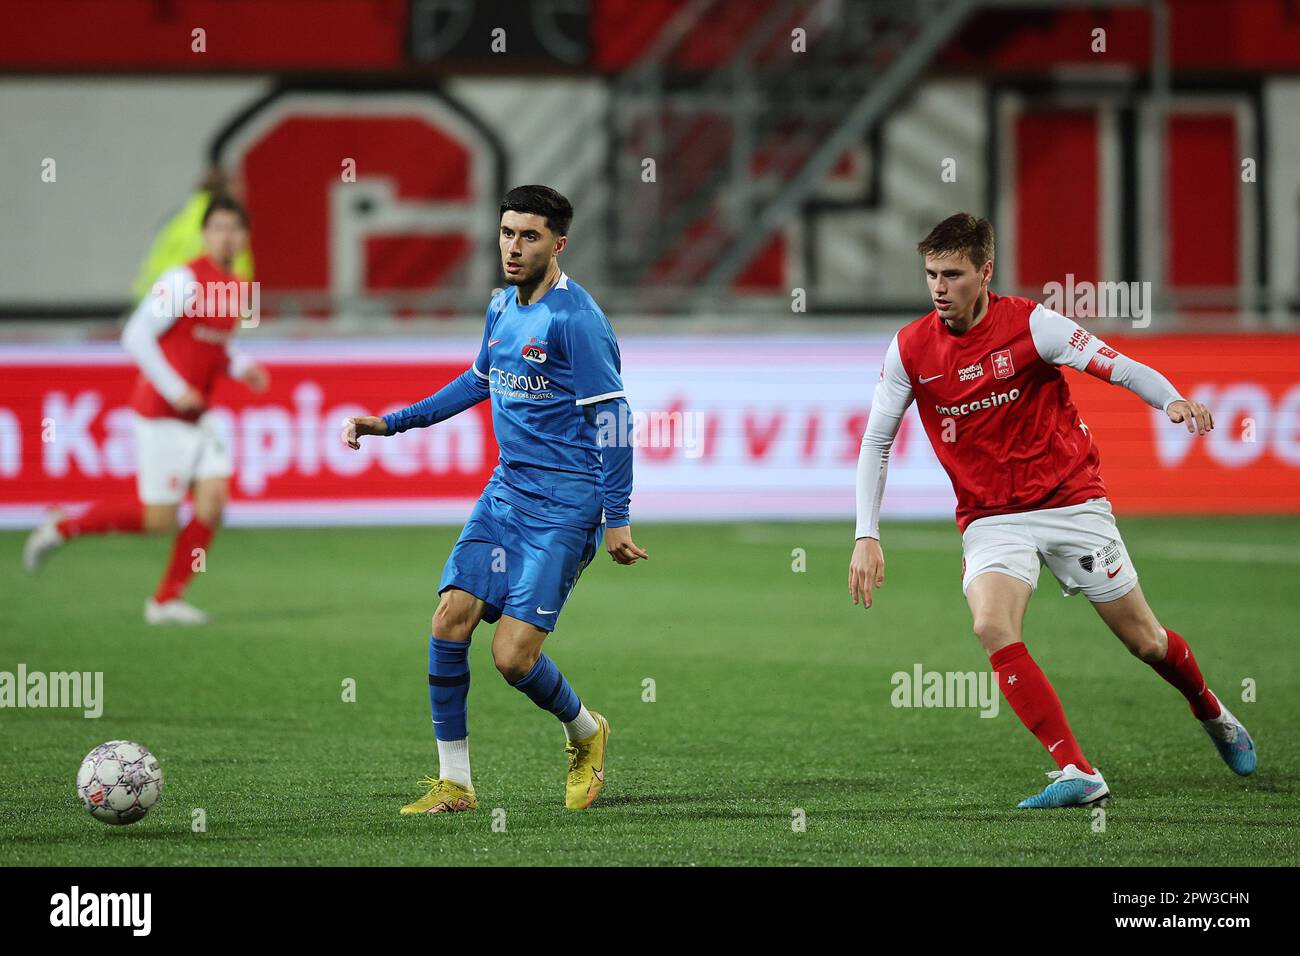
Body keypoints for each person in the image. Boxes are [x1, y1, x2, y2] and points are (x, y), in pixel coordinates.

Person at [848, 212, 1256, 809]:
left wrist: (1169, 400)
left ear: (985, 273)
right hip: (991, 515)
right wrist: (867, 533)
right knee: (991, 625)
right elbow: (876, 441)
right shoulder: (910, 348)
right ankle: (1077, 770)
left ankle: (1211, 710)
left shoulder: (1034, 325)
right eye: (931, 273)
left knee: (1146, 642)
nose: (938, 287)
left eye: (953, 274)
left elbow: (1117, 365)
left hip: (1070, 500)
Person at [342, 185, 647, 814]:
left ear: (558, 244)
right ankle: (455, 783)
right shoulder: (501, 306)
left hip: (566, 507)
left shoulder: (576, 321)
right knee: (449, 615)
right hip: (505, 493)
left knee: (511, 658)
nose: (512, 246)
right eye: (507, 232)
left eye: (528, 236)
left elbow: (615, 420)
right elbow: (479, 378)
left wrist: (616, 519)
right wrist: (394, 423)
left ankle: (586, 732)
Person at [24, 196, 269, 625]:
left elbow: (211, 348)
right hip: (163, 413)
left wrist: (242, 367)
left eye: (235, 229)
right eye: (218, 228)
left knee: (212, 503)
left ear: (245, 236)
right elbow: (135, 335)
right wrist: (176, 390)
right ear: (205, 234)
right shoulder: (183, 279)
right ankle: (63, 525)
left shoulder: (239, 288)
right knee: (159, 519)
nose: (226, 237)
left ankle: (165, 601)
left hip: (199, 415)